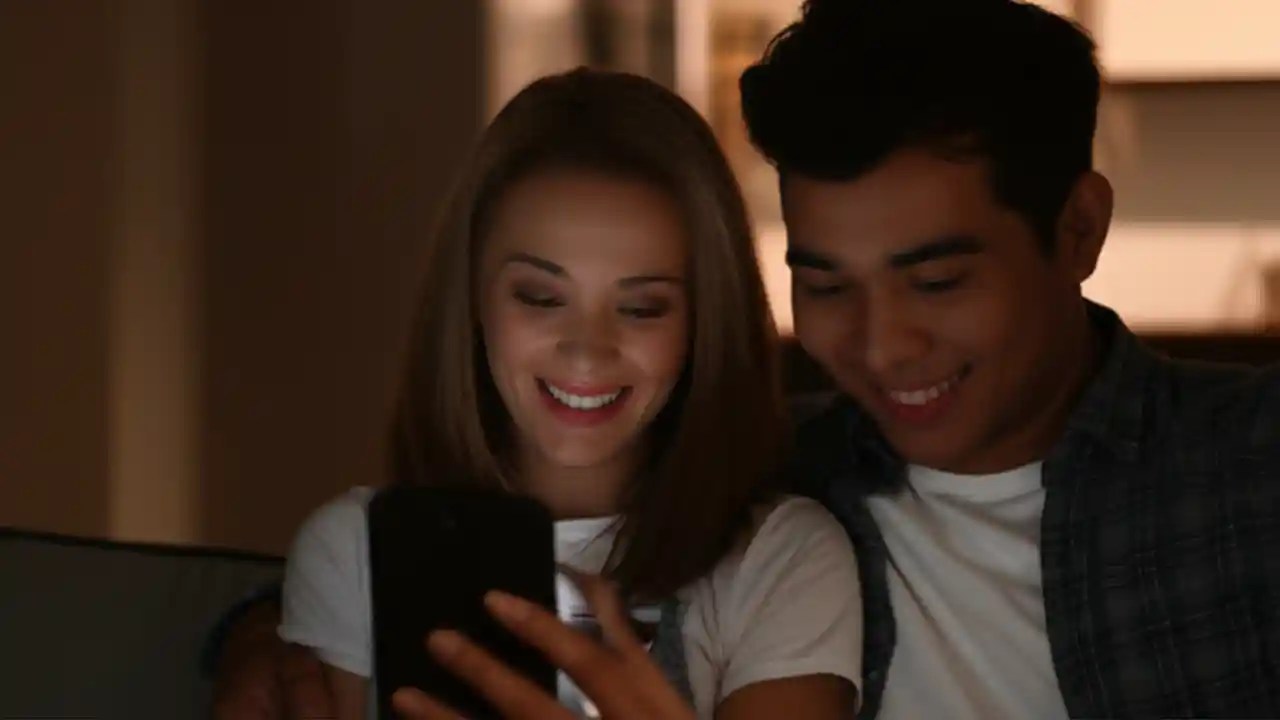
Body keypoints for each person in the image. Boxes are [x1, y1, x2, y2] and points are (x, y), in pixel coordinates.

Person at [214, 1, 1280, 718]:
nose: (878, 345)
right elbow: (464, 526)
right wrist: (254, 635)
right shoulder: (782, 474)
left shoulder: (1244, 471)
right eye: (823, 282)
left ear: (1078, 231)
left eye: (936, 280)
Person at [228, 67, 864, 720]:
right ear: (473, 299)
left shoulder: (782, 562)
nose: (588, 348)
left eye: (643, 307)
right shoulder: (354, 551)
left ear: (706, 325)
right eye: (539, 297)